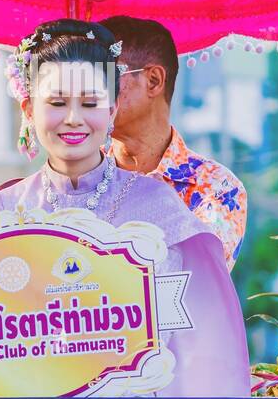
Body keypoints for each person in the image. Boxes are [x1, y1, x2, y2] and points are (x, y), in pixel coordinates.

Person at [0, 18, 251, 397]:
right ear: (29, 109)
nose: (73, 117)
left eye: (90, 102)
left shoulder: (166, 208)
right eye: (57, 102)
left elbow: (195, 339)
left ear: (110, 110)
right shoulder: (5, 208)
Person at [98, 16, 247, 271]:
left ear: (153, 81)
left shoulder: (216, 186)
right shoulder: (81, 175)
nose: (91, 92)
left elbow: (195, 275)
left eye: (106, 76)